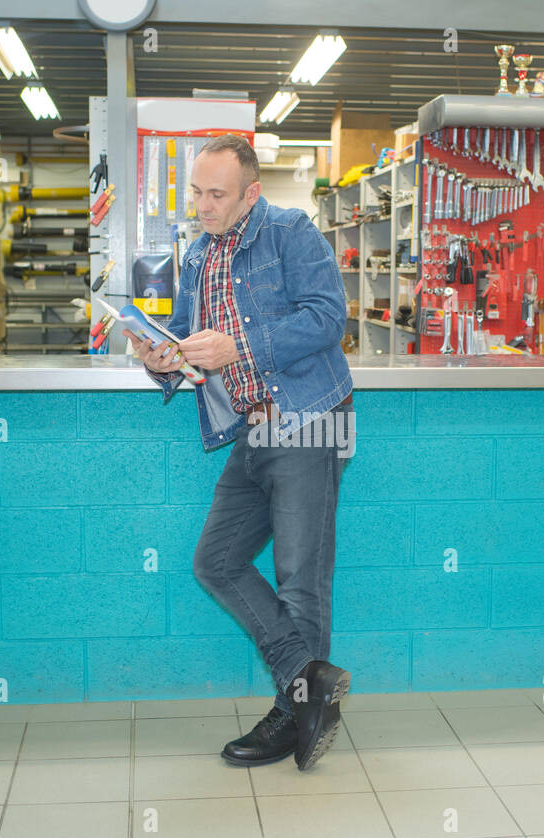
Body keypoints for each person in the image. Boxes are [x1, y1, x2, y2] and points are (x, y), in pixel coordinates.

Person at [123, 134, 354, 771]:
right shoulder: (197, 256)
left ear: (251, 192)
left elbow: (329, 317)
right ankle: (311, 684)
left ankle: (292, 713)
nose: (202, 204)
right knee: (216, 560)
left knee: (300, 582)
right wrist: (163, 361)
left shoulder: (290, 232)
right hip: (253, 428)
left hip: (310, 421)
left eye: (215, 193)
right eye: (195, 191)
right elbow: (196, 349)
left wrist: (241, 349)